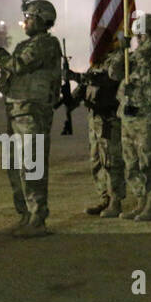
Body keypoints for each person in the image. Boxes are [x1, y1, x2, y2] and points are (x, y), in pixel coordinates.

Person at [0, 0, 62, 238]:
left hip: (33, 112)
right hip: (17, 110)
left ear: (42, 20)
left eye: (30, 17)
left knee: (31, 165)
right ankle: (25, 215)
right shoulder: (28, 43)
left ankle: (37, 218)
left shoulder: (46, 44)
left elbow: (17, 65)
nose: (25, 22)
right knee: (16, 167)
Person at [116, 12, 151, 221]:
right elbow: (114, 71)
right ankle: (140, 201)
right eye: (138, 36)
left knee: (149, 162)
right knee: (131, 163)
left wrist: (147, 48)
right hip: (129, 116)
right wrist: (123, 50)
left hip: (147, 116)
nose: (140, 40)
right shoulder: (132, 58)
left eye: (144, 36)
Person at [66, 42, 125, 218]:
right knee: (96, 161)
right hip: (94, 119)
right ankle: (104, 198)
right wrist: (69, 99)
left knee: (111, 161)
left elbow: (107, 80)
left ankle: (116, 201)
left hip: (108, 119)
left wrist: (76, 76)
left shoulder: (119, 58)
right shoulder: (97, 62)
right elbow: (84, 87)